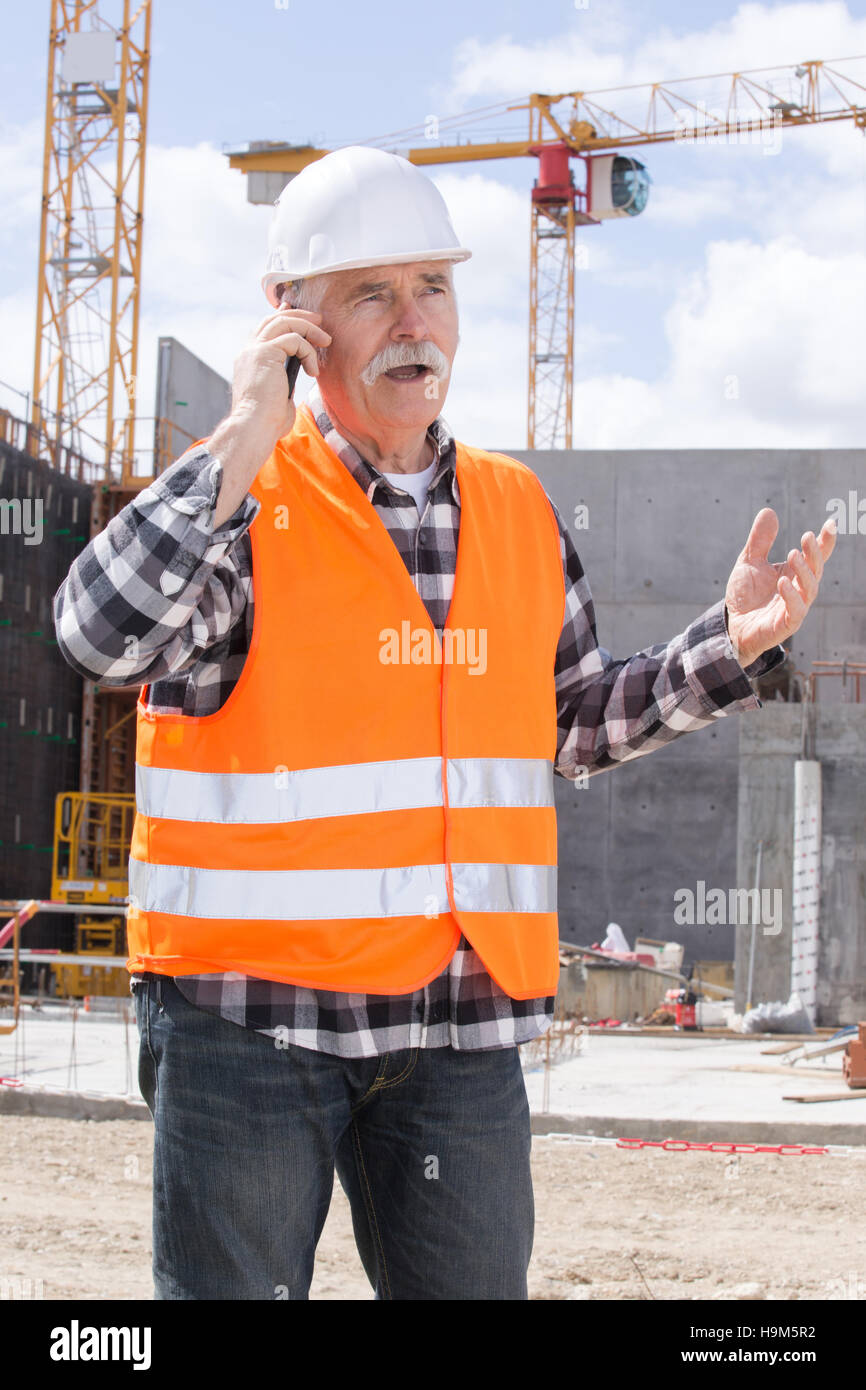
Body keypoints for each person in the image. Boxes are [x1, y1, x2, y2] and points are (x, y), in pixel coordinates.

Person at [53, 146, 836, 1301]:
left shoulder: (518, 510)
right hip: (250, 1024)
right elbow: (93, 635)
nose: (412, 320)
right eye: (371, 292)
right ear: (294, 325)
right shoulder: (238, 501)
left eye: (433, 286)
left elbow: (567, 722)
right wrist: (237, 435)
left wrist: (728, 646)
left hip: (457, 1031)